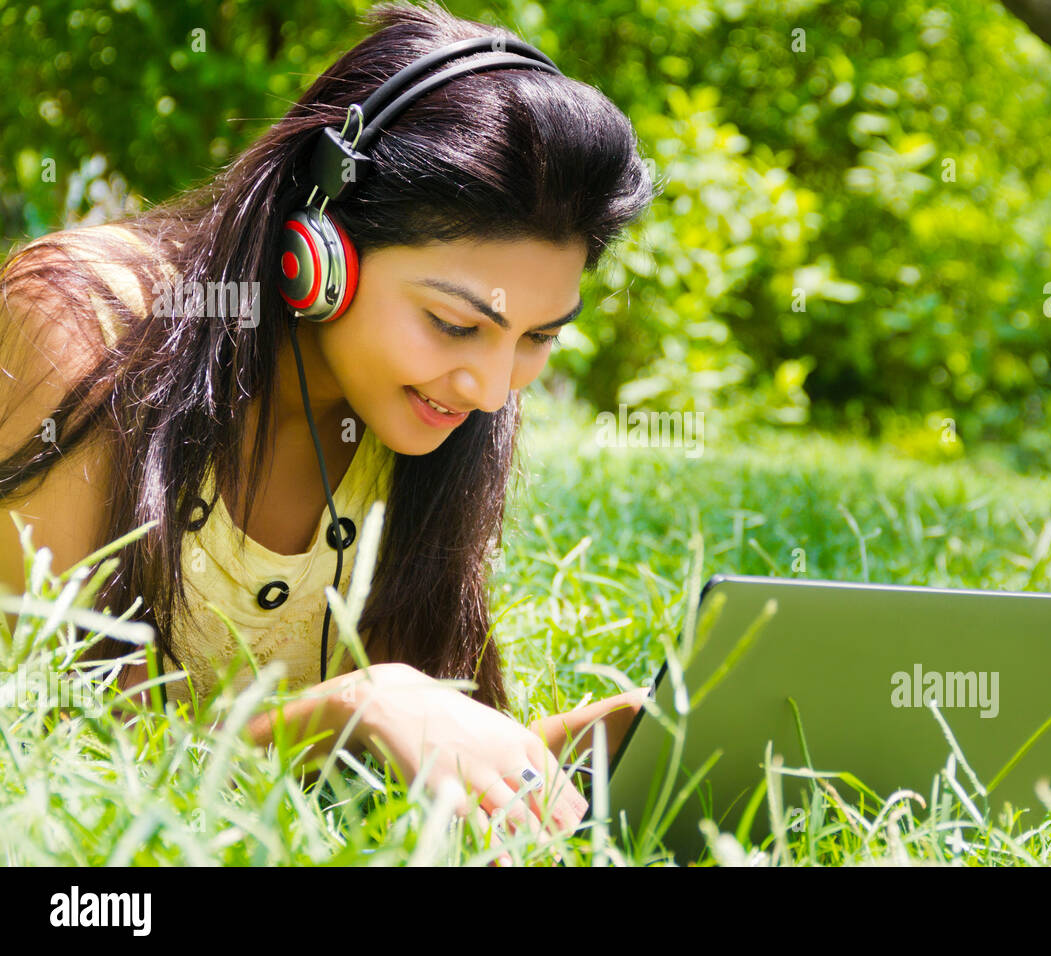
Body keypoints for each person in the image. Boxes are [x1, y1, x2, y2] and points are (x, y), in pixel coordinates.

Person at [0, 0, 657, 846]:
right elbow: (57, 754)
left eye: (537, 338)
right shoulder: (85, 329)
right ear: (318, 256)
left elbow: (358, 792)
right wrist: (350, 706)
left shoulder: (427, 408)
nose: (493, 389)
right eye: (455, 325)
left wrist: (569, 751)